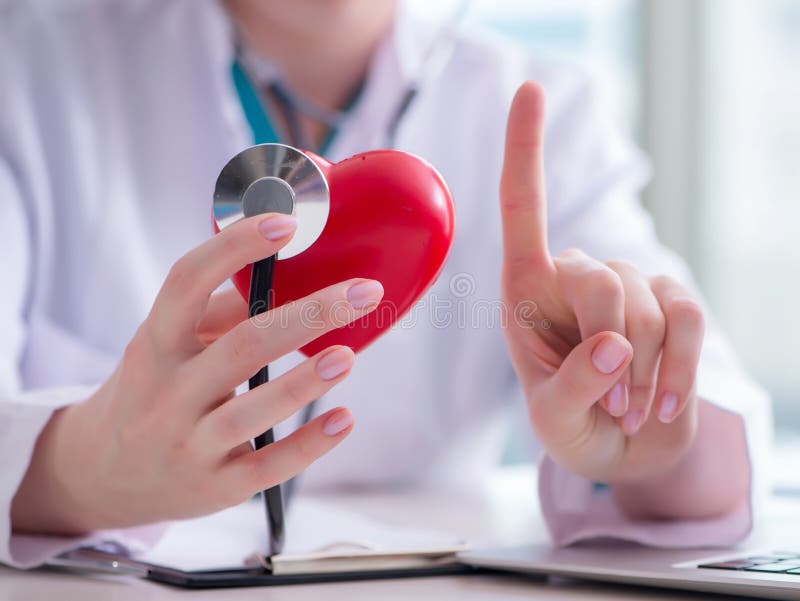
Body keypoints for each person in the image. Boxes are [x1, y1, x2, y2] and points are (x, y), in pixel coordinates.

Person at [0, 0, 770, 568]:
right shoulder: (26, 73)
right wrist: (78, 470)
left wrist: (643, 425)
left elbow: (707, 416)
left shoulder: (543, 112)